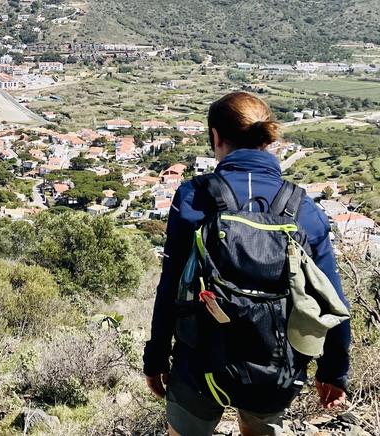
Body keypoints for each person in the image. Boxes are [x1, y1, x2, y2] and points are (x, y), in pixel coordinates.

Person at [143, 92, 351, 435]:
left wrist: (156, 358)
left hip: (198, 366)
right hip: (275, 369)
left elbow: (170, 285)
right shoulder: (304, 209)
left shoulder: (193, 197)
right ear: (267, 139)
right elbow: (331, 300)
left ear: (215, 136)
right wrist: (333, 371)